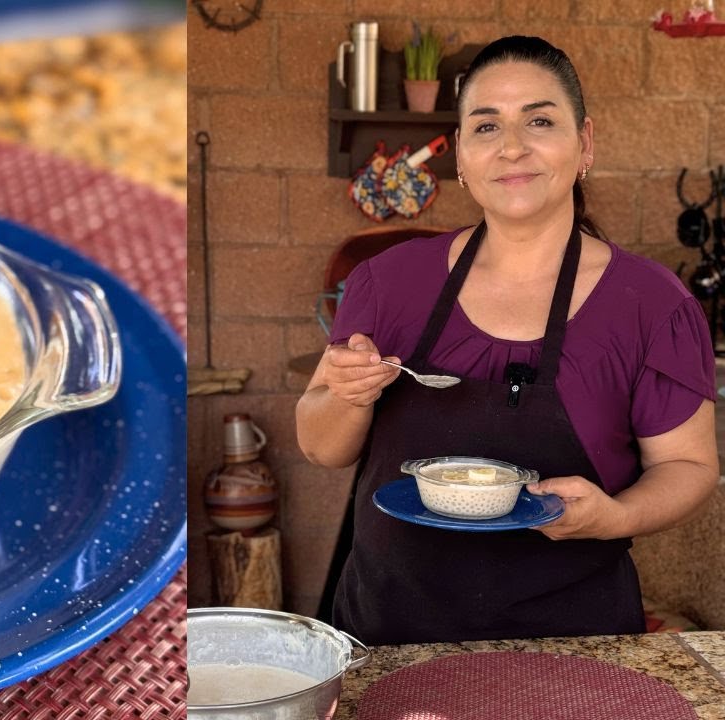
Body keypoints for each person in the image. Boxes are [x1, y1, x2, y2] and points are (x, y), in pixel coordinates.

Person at [295, 36, 719, 645]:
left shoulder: (651, 304)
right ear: (461, 157)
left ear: (585, 145)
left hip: (577, 643)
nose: (512, 147)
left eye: (540, 121)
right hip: (391, 636)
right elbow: (321, 447)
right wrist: (346, 394)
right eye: (486, 126)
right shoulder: (388, 283)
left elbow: (689, 466)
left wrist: (616, 516)